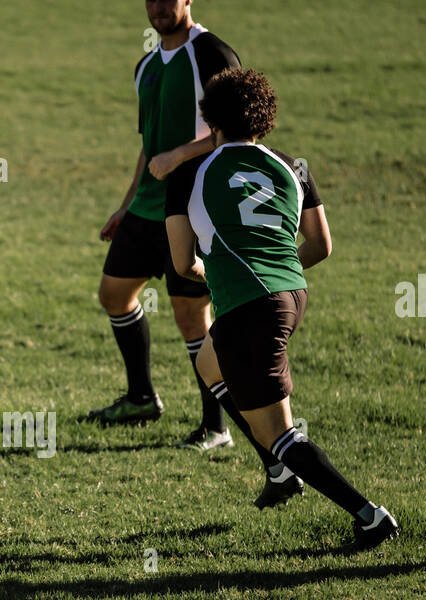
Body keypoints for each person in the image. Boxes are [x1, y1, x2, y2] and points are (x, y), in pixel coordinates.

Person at [167, 67, 398, 548]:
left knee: (280, 432)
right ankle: (278, 471)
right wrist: (275, 274)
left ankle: (369, 516)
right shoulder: (292, 165)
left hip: (250, 307)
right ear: (263, 117)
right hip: (292, 294)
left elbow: (183, 262)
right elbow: (320, 245)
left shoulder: (190, 172)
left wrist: (221, 275)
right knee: (209, 365)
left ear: (211, 119)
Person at [90, 0, 240, 453]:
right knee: (114, 295)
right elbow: (148, 144)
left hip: (193, 207)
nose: (158, 6)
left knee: (191, 316)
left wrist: (178, 156)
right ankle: (141, 398)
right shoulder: (146, 65)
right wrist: (127, 203)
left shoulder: (212, 54)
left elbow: (236, 130)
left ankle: (215, 428)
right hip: (147, 207)